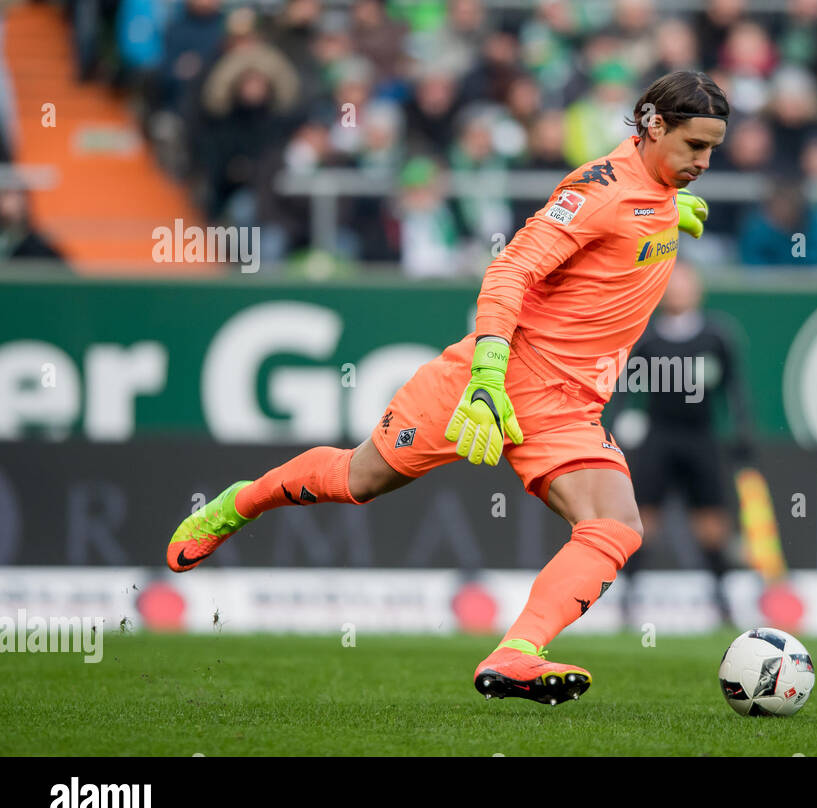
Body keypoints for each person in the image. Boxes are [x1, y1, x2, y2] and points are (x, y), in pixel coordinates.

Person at [164, 70, 728, 707]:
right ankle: (241, 503)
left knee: (616, 525)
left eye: (712, 149)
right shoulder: (600, 190)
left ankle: (516, 652)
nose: (705, 162)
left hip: (567, 406)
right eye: (694, 147)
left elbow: (622, 228)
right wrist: (487, 377)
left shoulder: (647, 193)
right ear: (654, 127)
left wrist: (661, 213)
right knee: (360, 480)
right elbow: (510, 268)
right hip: (494, 376)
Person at [604, 259, 755, 629]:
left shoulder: (716, 337)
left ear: (697, 289)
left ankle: (721, 601)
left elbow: (734, 390)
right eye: (671, 283)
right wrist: (614, 428)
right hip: (659, 438)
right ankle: (627, 600)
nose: (677, 289)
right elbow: (623, 387)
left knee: (712, 525)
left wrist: (742, 429)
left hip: (700, 439)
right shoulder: (647, 338)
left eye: (684, 282)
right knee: (643, 521)